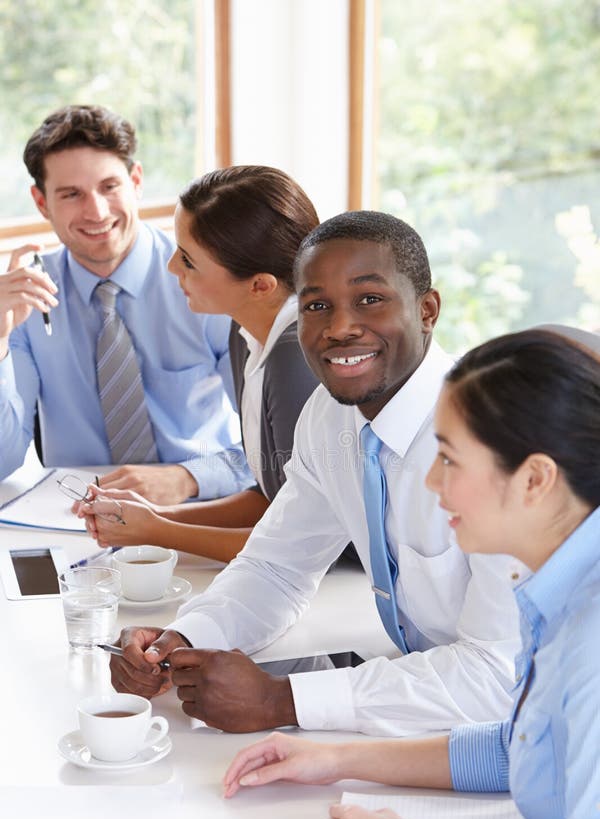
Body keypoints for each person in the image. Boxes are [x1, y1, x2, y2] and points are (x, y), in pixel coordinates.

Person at [110, 210, 523, 737]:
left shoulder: (496, 441)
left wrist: (284, 700)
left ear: (427, 310)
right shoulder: (331, 419)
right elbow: (276, 568)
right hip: (428, 707)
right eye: (317, 306)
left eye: (370, 299)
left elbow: (499, 676)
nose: (340, 327)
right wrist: (185, 639)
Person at [222, 329, 600, 819]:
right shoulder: (554, 586)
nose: (430, 481)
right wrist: (333, 759)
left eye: (449, 459)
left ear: (535, 479)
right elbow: (523, 746)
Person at [0, 104, 251, 504]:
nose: (96, 211)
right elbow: (3, 461)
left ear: (135, 181)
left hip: (200, 506)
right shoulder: (27, 298)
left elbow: (280, 449)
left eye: (109, 186)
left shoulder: (208, 278)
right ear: (41, 202)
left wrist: (189, 477)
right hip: (77, 513)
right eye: (71, 194)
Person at [76, 165, 320, 563]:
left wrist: (157, 531)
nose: (172, 267)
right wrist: (155, 516)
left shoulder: (296, 359)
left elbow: (299, 543)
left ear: (260, 285)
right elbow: (274, 499)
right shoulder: (246, 335)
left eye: (188, 260)